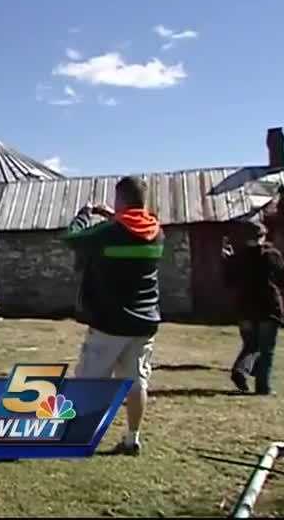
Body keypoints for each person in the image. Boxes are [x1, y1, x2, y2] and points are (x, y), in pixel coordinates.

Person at [63, 175, 164, 456]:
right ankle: (132, 439)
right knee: (136, 382)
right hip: (145, 322)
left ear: (120, 199)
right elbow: (133, 228)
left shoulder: (107, 233)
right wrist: (113, 215)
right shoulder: (158, 232)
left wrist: (84, 214)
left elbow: (72, 238)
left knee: (89, 382)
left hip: (109, 321)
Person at [221, 219, 284, 396]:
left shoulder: (237, 257)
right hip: (268, 307)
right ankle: (262, 387)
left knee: (251, 346)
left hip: (245, 307)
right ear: (263, 235)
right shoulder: (272, 254)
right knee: (266, 350)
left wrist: (227, 261)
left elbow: (229, 282)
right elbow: (282, 281)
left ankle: (241, 370)